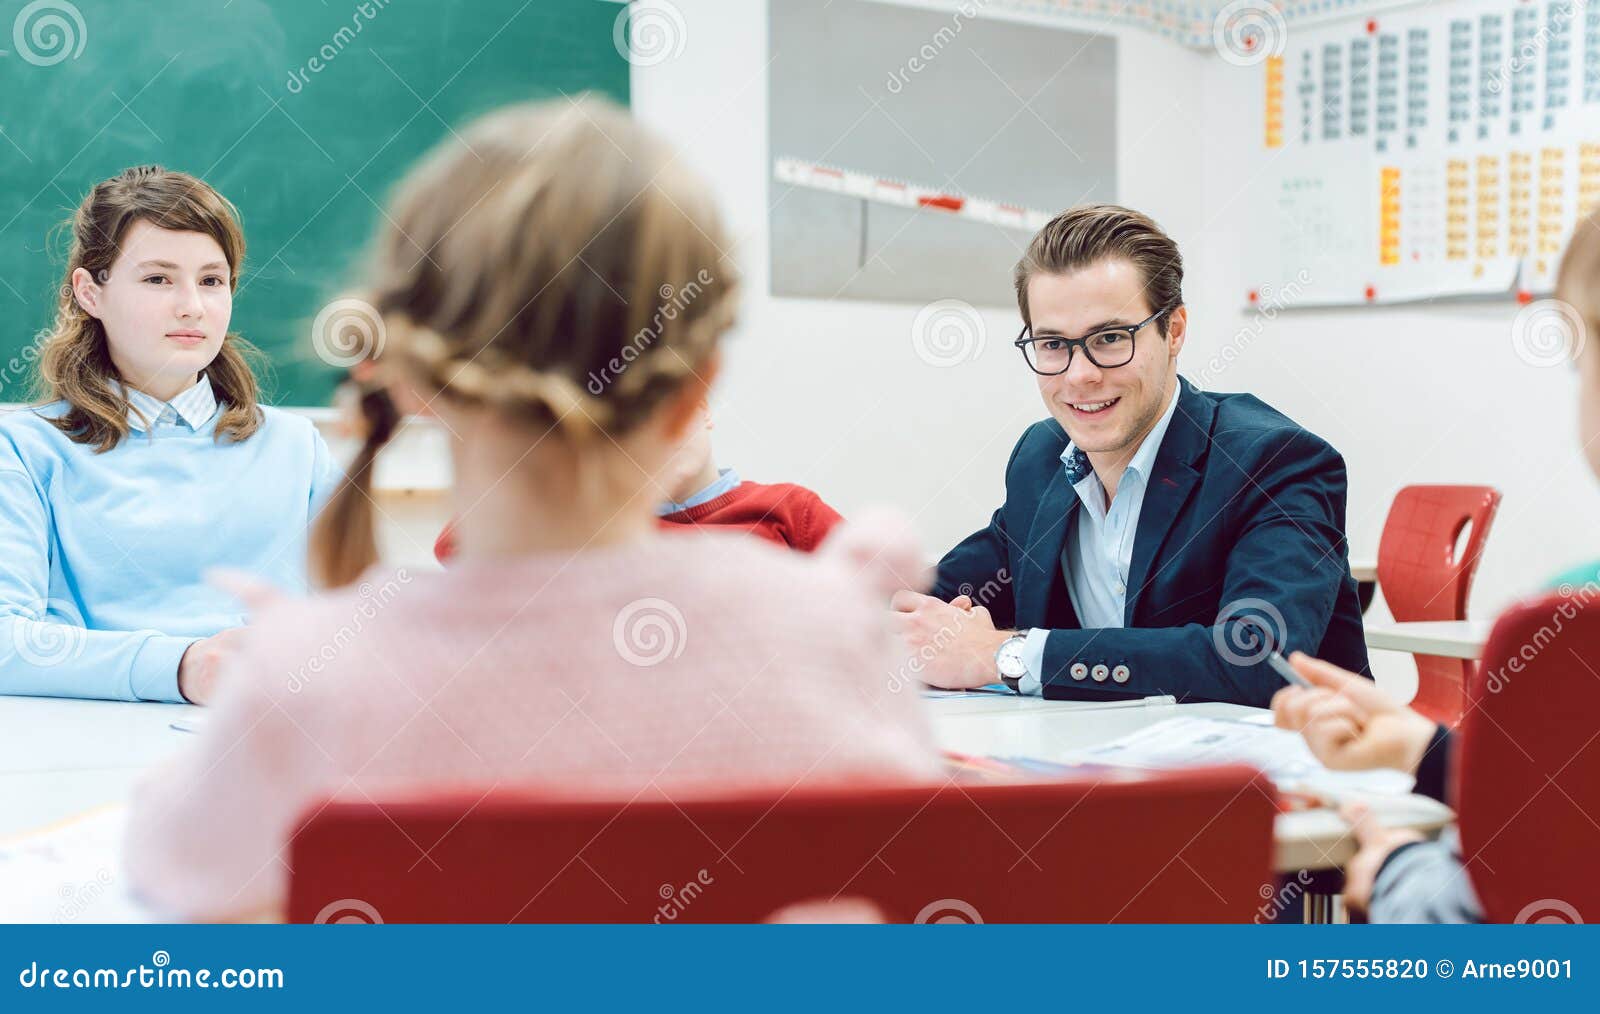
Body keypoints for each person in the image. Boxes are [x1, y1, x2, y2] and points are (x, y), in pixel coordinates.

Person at [123, 98, 942, 920]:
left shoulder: (305, 680)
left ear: (410, 377)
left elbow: (178, 879)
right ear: (693, 394)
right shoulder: (829, 638)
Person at [896, 204, 1368, 706]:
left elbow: (1259, 660)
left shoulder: (1271, 462)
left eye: (1110, 338)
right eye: (1054, 344)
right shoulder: (1044, 457)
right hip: (1101, 766)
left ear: (1176, 331)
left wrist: (1005, 654)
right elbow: (943, 598)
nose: (1080, 375)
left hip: (1277, 774)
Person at [1272, 207, 1600, 922]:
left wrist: (1397, 869)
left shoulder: (1574, 619)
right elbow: (1579, 818)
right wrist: (1423, 748)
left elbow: (1497, 942)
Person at [0, 166, 337, 705]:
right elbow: (6, 644)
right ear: (91, 292)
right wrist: (182, 668)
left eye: (211, 280)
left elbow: (364, 622)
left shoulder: (299, 447)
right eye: (158, 279)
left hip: (275, 740)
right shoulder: (23, 449)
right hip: (80, 751)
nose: (192, 306)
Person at [431, 400, 843, 562]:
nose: (657, 442)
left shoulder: (789, 509)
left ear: (702, 409)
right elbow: (455, 548)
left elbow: (889, 582)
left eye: (673, 419)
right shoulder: (599, 530)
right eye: (626, 432)